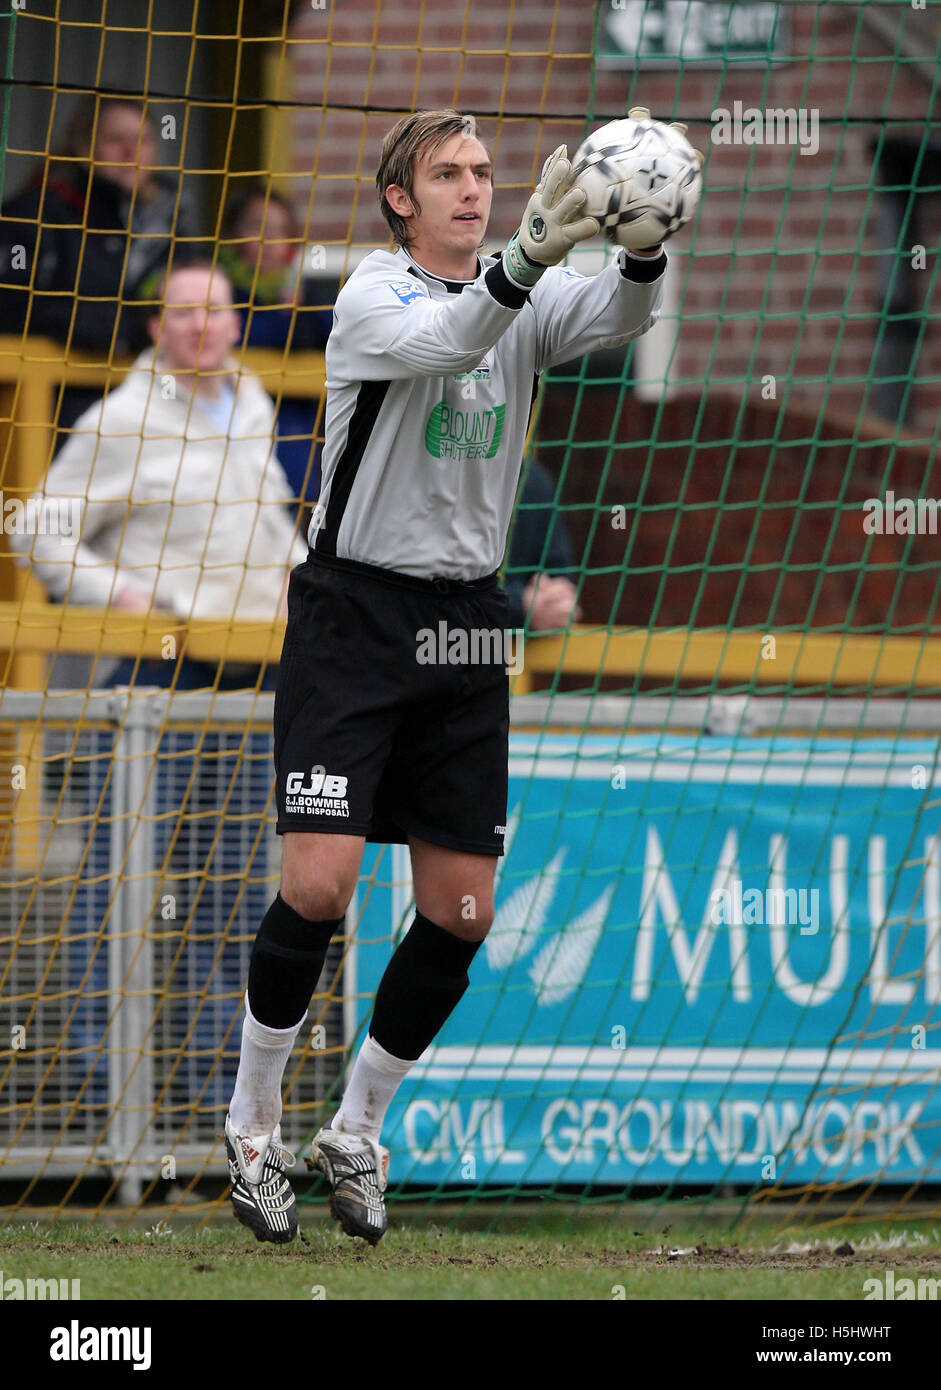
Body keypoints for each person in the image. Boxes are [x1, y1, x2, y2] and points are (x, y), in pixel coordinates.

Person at [224, 107, 691, 1246]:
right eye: (448, 174)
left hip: (468, 625)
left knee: (463, 910)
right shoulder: (372, 300)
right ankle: (249, 1125)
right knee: (322, 884)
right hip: (354, 611)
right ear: (400, 199)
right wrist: (531, 250)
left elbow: (628, 311)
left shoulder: (519, 287)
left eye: (484, 172)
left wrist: (635, 241)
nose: (473, 188)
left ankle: (357, 1127)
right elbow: (452, 342)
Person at [11, 261, 308, 1114]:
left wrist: (301, 582)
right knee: (122, 880)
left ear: (236, 322)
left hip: (253, 683)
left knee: (239, 890)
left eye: (214, 311)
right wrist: (126, 596)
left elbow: (263, 526)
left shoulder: (254, 406)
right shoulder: (123, 417)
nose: (200, 327)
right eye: (181, 314)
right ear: (154, 327)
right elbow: (37, 530)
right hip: (154, 682)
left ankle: (219, 1092)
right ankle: (104, 1089)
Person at [0, 96, 197, 436]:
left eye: (144, 141)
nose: (131, 152)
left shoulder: (170, 227)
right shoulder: (35, 213)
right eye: (115, 139)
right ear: (82, 145)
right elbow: (12, 304)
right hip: (46, 417)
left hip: (153, 419)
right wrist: (120, 327)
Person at [218, 185, 335, 503]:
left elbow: (343, 338)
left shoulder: (309, 300)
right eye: (257, 226)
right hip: (228, 457)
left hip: (295, 464)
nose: (269, 240)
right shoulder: (217, 297)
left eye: (280, 230)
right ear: (232, 234)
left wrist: (301, 315)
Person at [504, 457, 582, 631]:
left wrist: (554, 602)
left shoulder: (532, 479)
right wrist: (519, 606)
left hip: (522, 649)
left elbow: (559, 573)